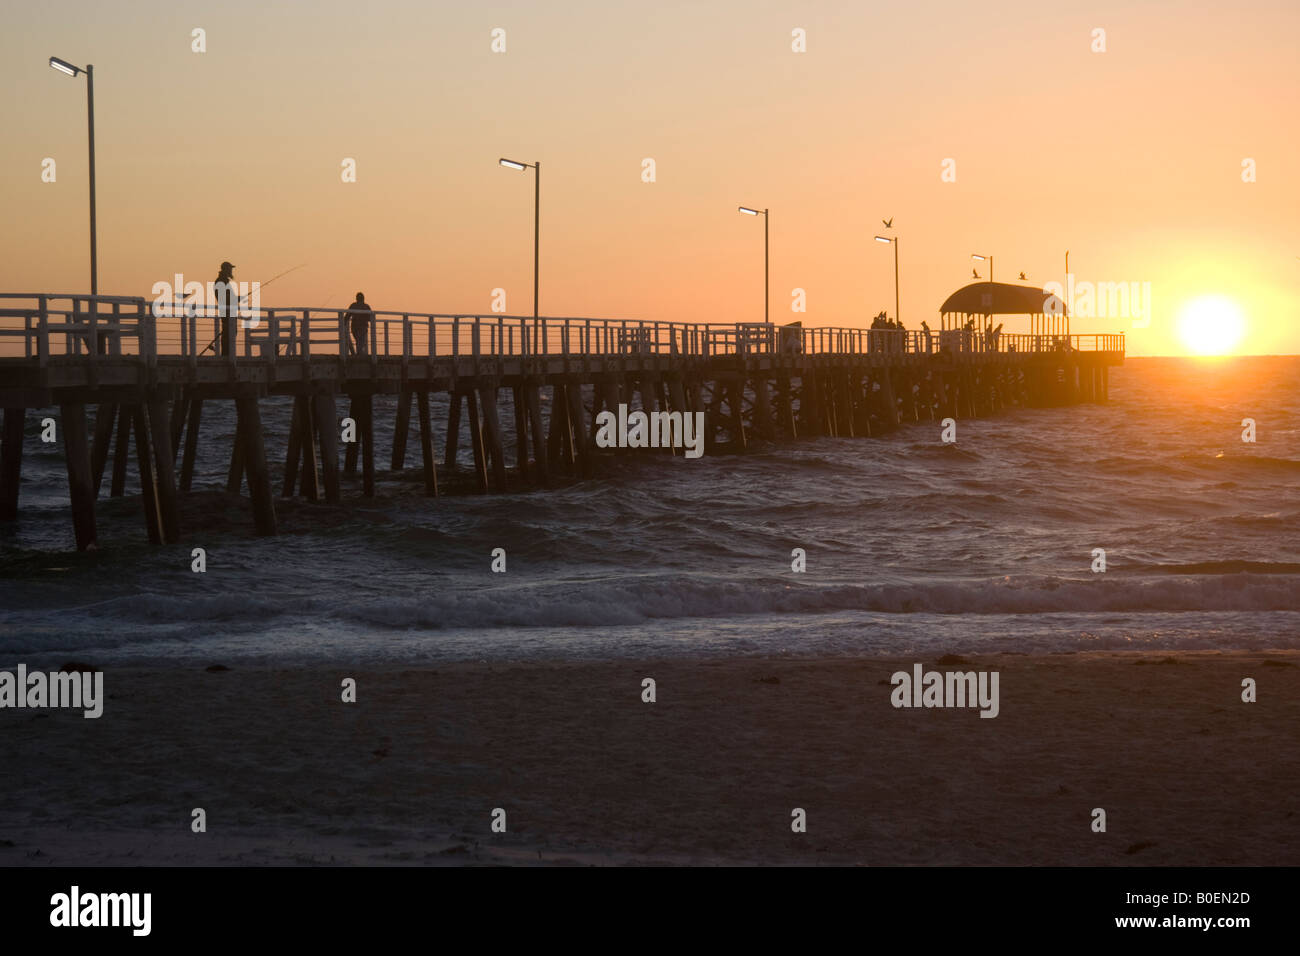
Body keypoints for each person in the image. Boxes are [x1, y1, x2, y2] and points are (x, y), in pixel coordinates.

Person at [213, 261, 236, 355]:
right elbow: (224, 297)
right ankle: (227, 355)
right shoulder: (221, 281)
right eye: (230, 268)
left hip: (228, 311)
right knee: (228, 334)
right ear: (226, 269)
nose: (231, 270)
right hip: (227, 312)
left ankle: (228, 354)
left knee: (229, 333)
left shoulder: (223, 280)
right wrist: (236, 298)